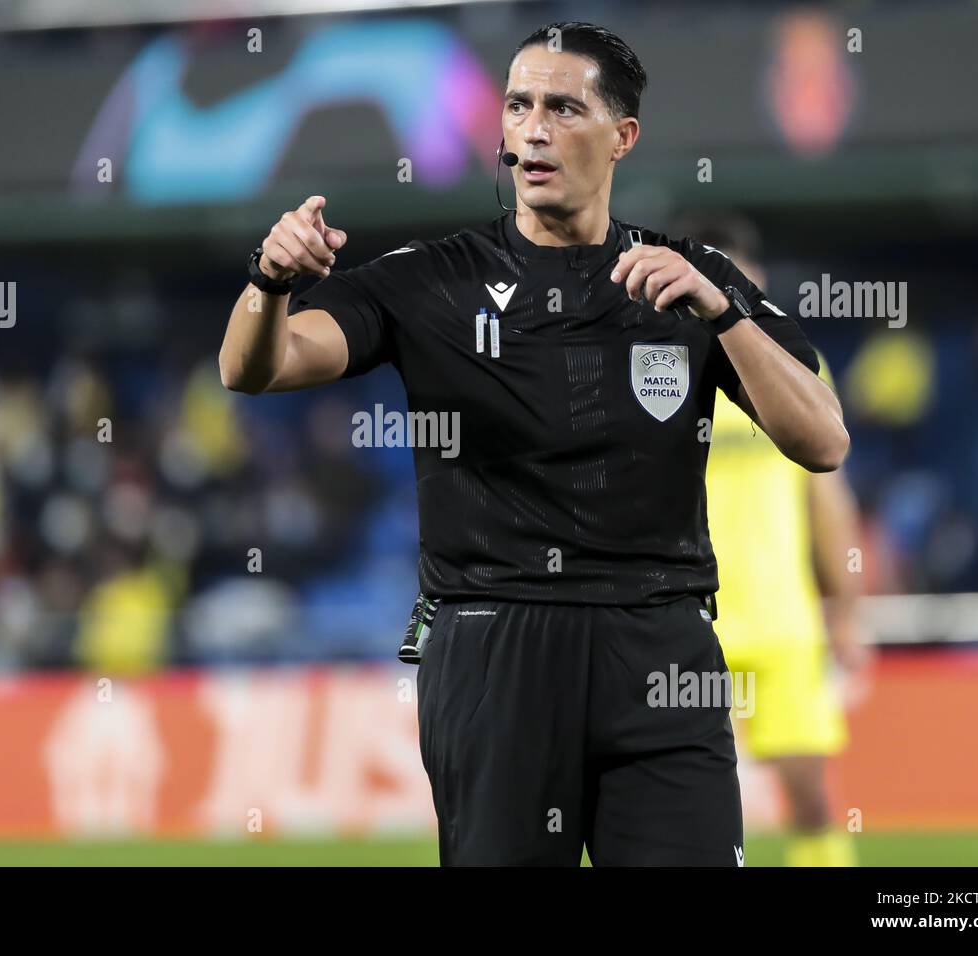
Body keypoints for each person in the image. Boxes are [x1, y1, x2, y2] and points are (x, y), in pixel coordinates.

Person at [219, 21, 848, 866]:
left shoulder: (686, 278)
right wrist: (269, 282)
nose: (535, 128)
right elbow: (256, 368)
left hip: (663, 650)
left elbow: (823, 441)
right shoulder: (431, 279)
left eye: (563, 106)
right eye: (518, 106)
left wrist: (723, 313)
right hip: (492, 649)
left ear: (623, 136)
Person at [681, 214, 872, 866]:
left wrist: (845, 611)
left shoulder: (792, 373)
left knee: (811, 797)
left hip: (782, 622)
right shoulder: (656, 375)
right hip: (686, 622)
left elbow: (830, 502)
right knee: (678, 805)